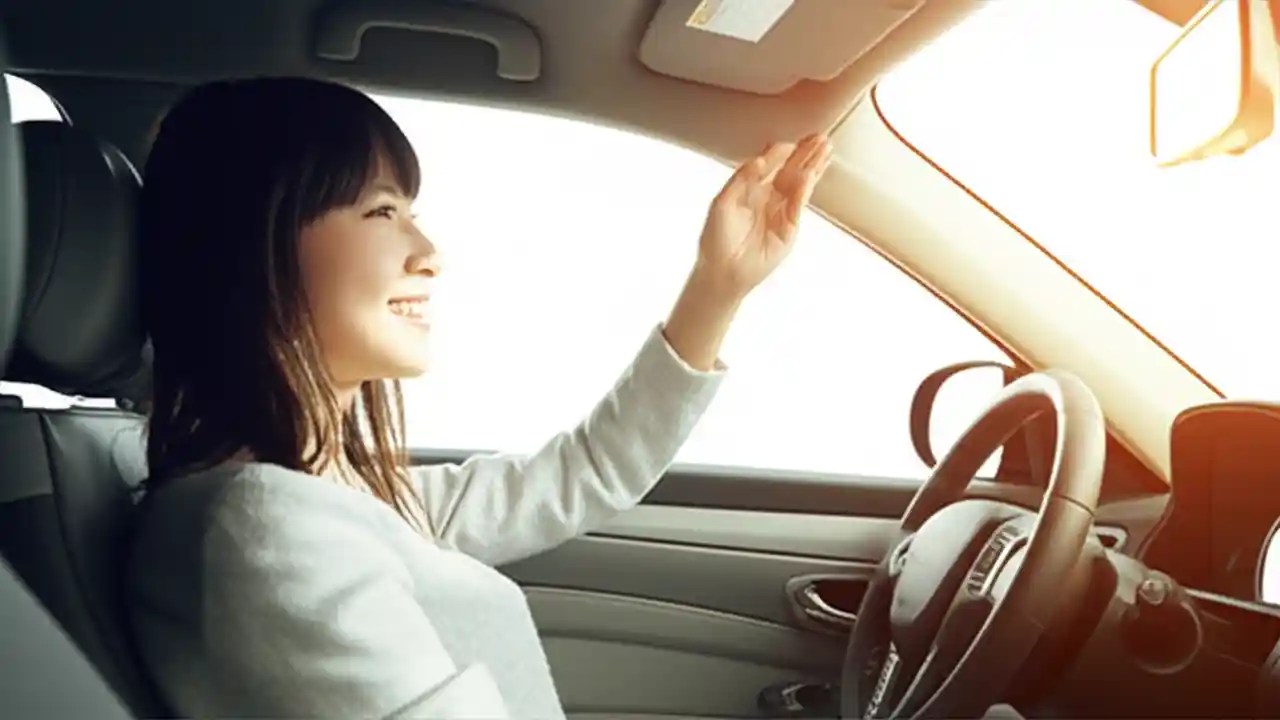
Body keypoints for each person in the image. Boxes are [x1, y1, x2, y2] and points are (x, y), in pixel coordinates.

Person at [125, 76, 832, 719]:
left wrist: (719, 286)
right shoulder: (267, 531)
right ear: (258, 240)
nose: (428, 251)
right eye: (381, 212)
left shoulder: (328, 495)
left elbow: (580, 476)